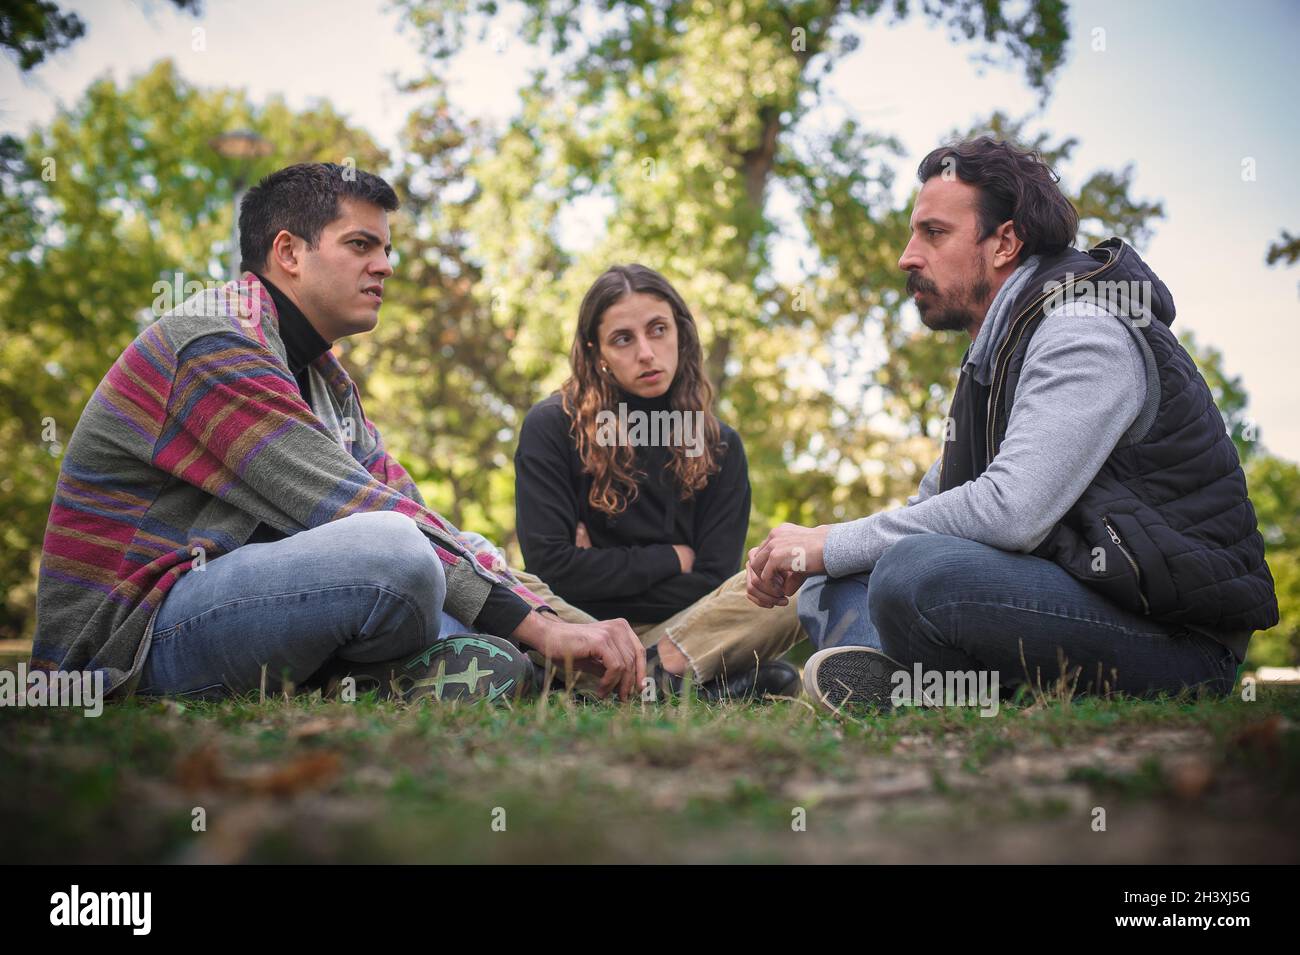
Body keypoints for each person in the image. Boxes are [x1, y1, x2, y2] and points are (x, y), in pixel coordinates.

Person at [30, 162, 647, 705]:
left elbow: (416, 510)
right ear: (289, 252)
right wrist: (543, 632)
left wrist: (550, 620)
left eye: (385, 248)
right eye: (361, 244)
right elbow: (354, 511)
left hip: (236, 606)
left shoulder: (326, 380)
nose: (386, 265)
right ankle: (433, 667)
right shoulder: (214, 341)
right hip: (127, 639)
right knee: (394, 553)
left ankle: (516, 670)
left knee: (462, 552)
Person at [745, 137, 1279, 712]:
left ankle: (917, 691)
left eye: (934, 233)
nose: (907, 256)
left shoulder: (1081, 330)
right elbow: (937, 505)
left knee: (909, 571)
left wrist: (828, 541)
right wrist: (828, 548)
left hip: (1175, 640)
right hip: (1070, 600)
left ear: (1004, 242)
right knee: (836, 575)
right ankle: (901, 688)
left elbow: (1011, 513)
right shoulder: (995, 356)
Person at [513, 264, 804, 700]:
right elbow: (552, 570)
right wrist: (674, 557)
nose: (646, 352)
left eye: (658, 330)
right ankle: (682, 683)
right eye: (623, 339)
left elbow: (712, 579)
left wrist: (596, 565)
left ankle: (635, 678)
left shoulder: (720, 445)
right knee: (508, 584)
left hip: (686, 630)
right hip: (583, 627)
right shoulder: (553, 426)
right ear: (597, 354)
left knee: (802, 578)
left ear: (681, 334)